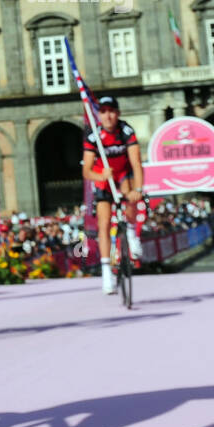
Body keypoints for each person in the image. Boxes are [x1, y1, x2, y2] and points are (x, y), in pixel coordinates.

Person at [81, 95, 144, 295]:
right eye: (104, 112)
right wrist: (101, 174)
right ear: (99, 115)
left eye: (111, 111)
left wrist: (139, 190)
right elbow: (87, 171)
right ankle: (107, 270)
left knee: (130, 194)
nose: (108, 116)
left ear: (117, 113)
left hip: (123, 173)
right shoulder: (93, 136)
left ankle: (132, 232)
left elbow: (136, 163)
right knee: (104, 223)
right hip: (103, 178)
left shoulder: (126, 131)